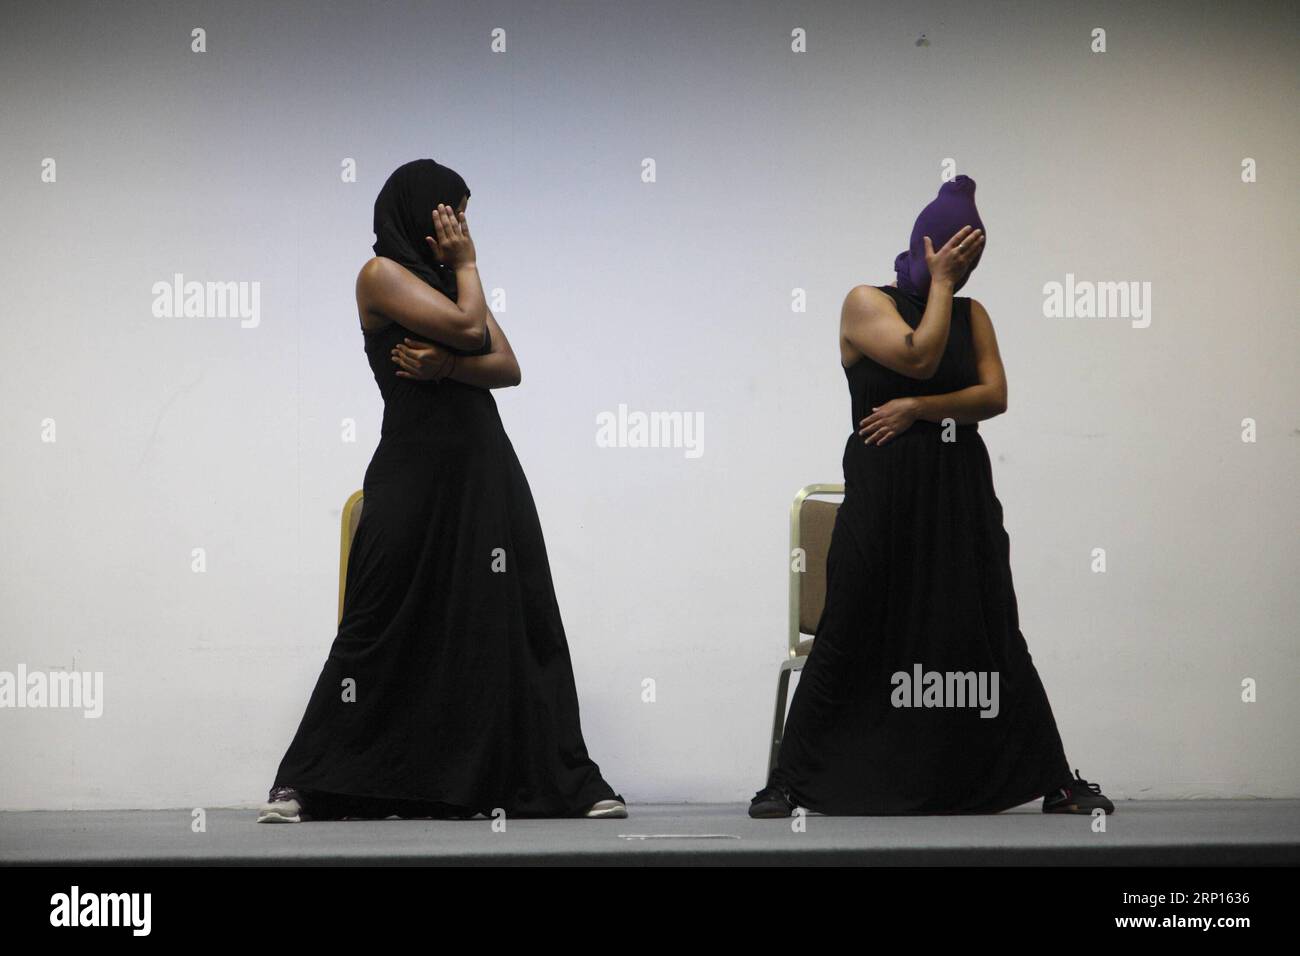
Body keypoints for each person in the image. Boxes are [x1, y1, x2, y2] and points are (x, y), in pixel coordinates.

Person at [259, 159, 625, 822]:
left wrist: (449, 364)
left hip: (483, 470)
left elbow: (506, 365)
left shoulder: (453, 283)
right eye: (453, 212)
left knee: (513, 621)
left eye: (465, 217)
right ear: (422, 213)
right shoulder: (380, 275)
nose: (461, 228)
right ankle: (309, 782)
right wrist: (468, 274)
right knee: (378, 619)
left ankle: (563, 780)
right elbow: (469, 328)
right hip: (412, 468)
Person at [750, 175, 1113, 818]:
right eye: (954, 254)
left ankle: (1054, 779)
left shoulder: (974, 316)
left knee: (993, 626)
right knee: (849, 622)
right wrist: (940, 287)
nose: (964, 269)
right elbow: (917, 354)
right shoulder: (866, 302)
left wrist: (919, 409)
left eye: (973, 259)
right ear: (927, 244)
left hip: (959, 493)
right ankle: (788, 781)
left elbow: (993, 397)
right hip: (886, 494)